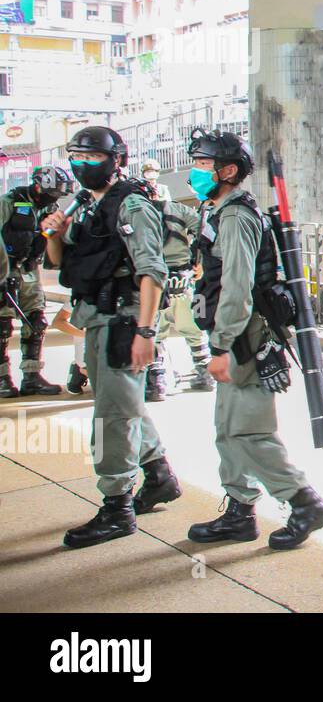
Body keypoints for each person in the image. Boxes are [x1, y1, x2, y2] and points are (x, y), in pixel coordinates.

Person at [183, 129, 323, 551]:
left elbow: (237, 288)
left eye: (203, 164)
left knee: (249, 430)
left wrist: (220, 345)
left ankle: (304, 502)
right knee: (227, 429)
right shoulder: (217, 209)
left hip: (243, 337)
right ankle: (239, 510)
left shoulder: (235, 217)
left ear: (227, 171)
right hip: (233, 335)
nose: (195, 171)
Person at [41, 126, 182, 548]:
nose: (83, 165)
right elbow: (57, 260)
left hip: (122, 322)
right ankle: (157, 475)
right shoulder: (83, 205)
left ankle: (116, 507)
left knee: (111, 418)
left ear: (116, 159)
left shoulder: (132, 205)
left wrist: (145, 331)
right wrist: (52, 232)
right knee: (124, 405)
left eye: (92, 158)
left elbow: (152, 272)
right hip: (95, 319)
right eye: (76, 157)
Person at [0, 165, 73, 397]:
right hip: (6, 269)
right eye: (52, 193)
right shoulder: (10, 201)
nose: (54, 199)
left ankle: (31, 377)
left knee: (36, 321)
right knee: (2, 325)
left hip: (30, 270)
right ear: (38, 185)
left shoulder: (50, 208)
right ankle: (2, 379)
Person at [141, 175, 215, 399]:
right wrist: (199, 263)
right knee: (194, 329)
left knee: (156, 332)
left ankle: (157, 381)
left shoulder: (138, 215)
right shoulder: (178, 210)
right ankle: (205, 372)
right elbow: (205, 232)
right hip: (184, 279)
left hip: (154, 282)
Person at [51, 303, 89, 393]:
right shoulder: (82, 295)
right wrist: (85, 335)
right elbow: (57, 322)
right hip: (90, 345)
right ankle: (79, 368)